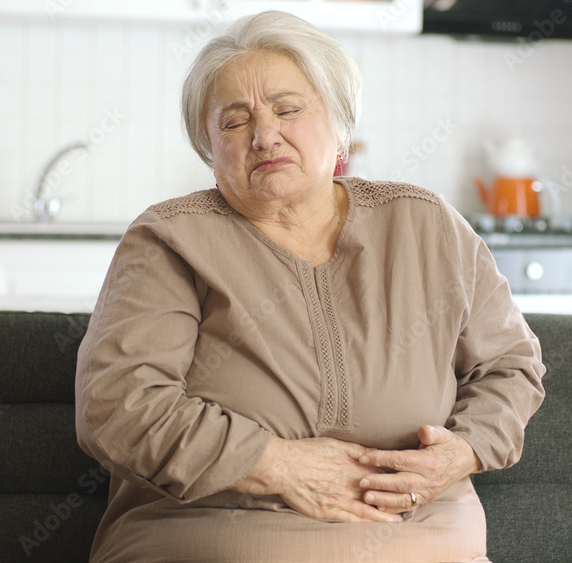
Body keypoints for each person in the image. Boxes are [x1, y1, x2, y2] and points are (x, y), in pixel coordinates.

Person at [75, 10, 545, 562]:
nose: (264, 135)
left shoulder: (426, 223)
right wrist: (274, 464)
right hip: (215, 532)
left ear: (339, 120)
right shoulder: (171, 240)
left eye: (288, 109)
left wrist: (464, 450)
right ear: (208, 146)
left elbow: (510, 365)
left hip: (416, 536)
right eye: (234, 121)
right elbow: (119, 405)